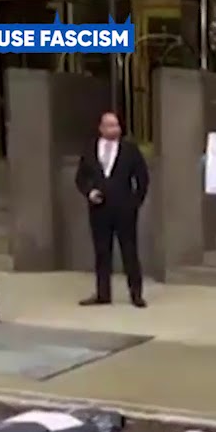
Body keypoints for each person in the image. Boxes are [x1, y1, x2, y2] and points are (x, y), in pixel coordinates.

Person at [74, 111, 150, 307]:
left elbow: (142, 178)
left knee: (129, 251)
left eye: (116, 125)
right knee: (101, 252)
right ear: (101, 128)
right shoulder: (90, 148)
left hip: (124, 209)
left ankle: (136, 294)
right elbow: (80, 177)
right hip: (99, 209)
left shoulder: (130, 149)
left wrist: (135, 203)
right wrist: (89, 192)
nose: (114, 129)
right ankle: (103, 293)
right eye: (109, 125)